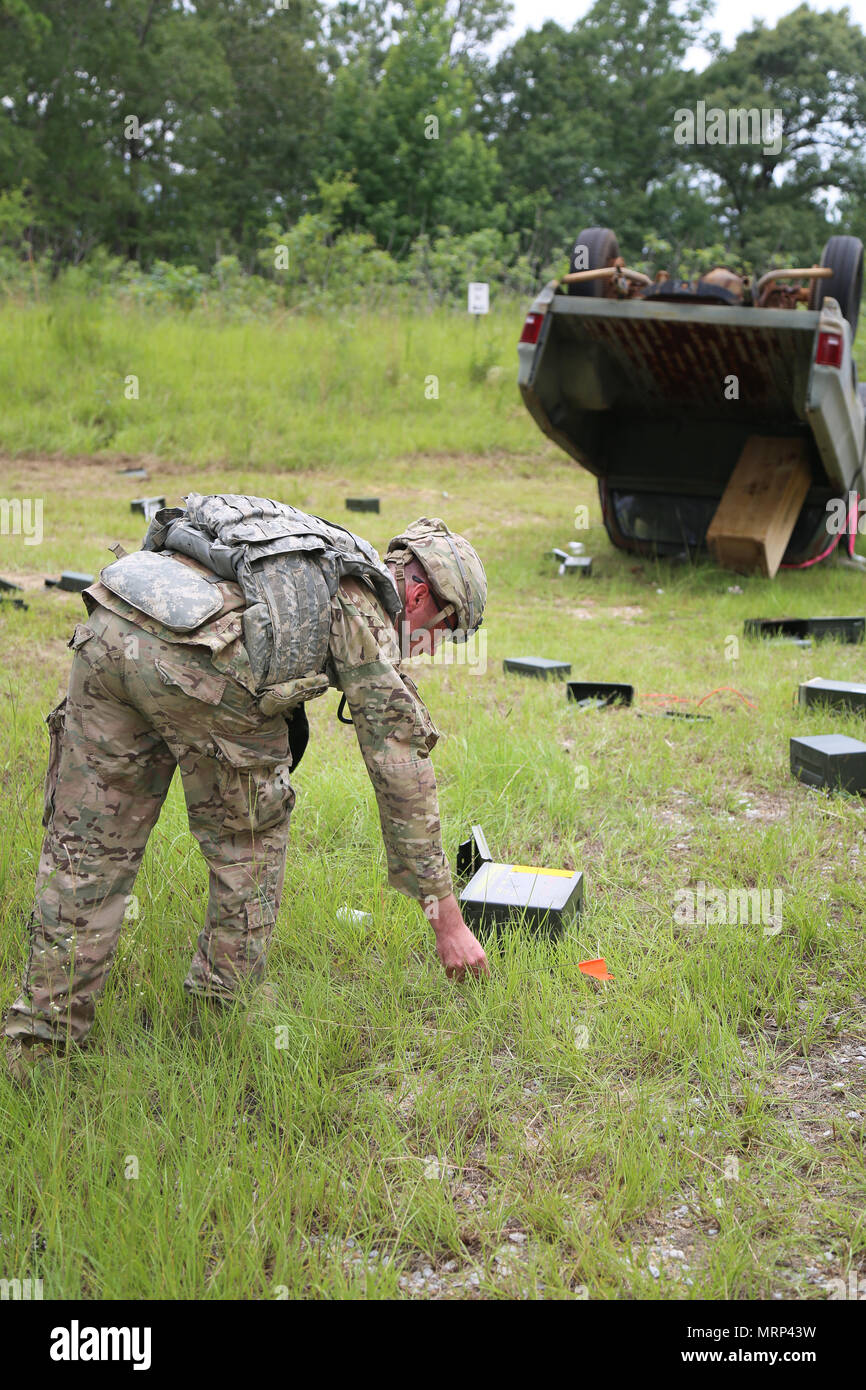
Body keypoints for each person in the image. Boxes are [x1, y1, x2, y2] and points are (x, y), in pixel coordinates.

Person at [4, 496, 489, 1083]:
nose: (436, 648)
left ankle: (38, 1045)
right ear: (420, 598)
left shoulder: (304, 548)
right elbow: (399, 766)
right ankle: (219, 1022)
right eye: (447, 632)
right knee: (249, 843)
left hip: (112, 626)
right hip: (193, 664)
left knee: (88, 847)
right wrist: (449, 923)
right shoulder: (362, 607)